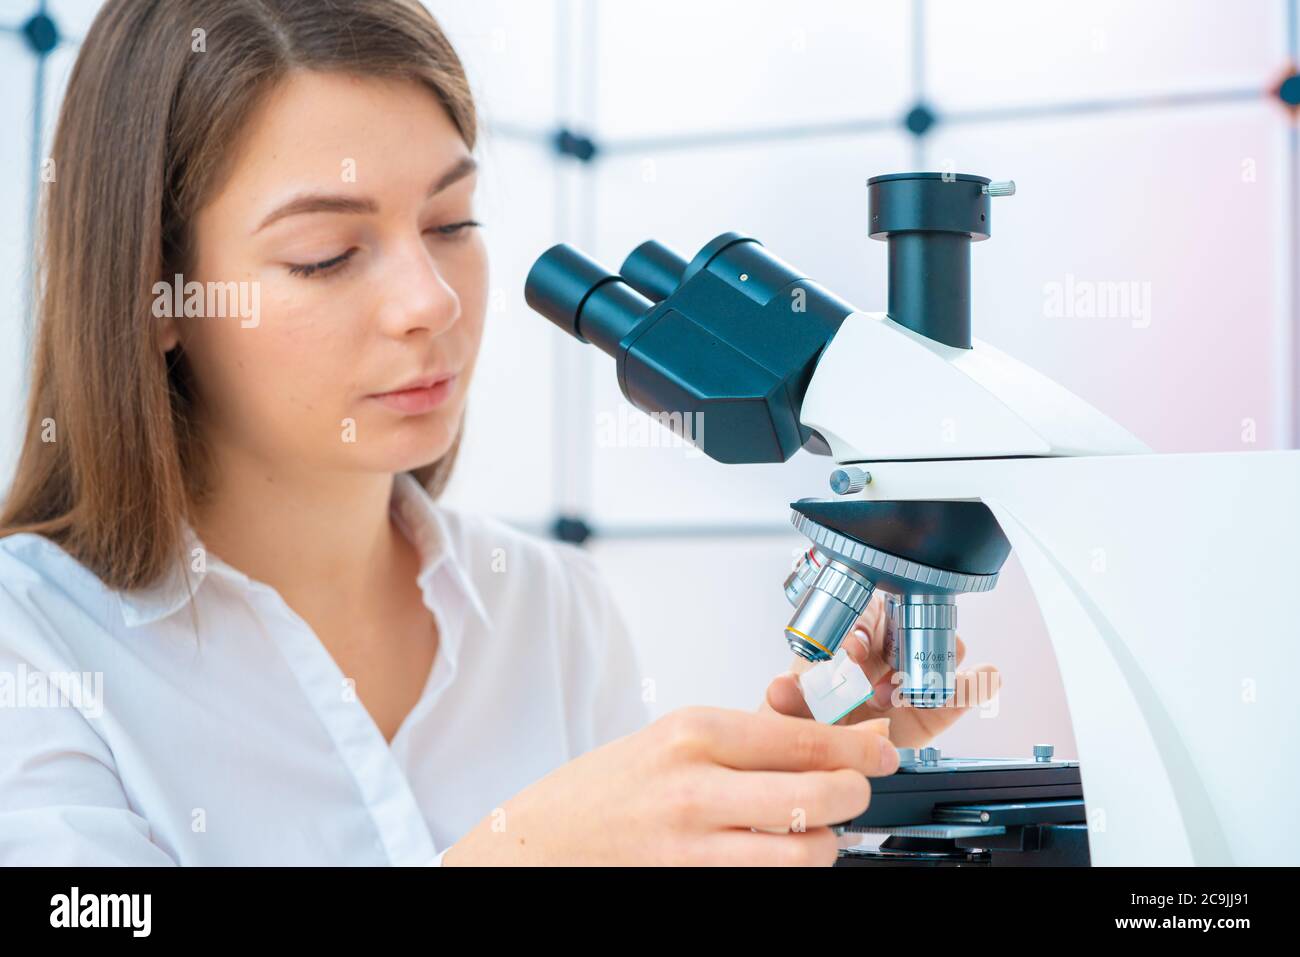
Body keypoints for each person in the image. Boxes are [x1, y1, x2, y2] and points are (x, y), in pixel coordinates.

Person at [0, 0, 999, 866]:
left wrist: (793, 778)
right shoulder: (32, 646)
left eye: (451, 223)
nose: (429, 301)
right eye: (327, 253)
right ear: (159, 295)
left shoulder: (550, 611)